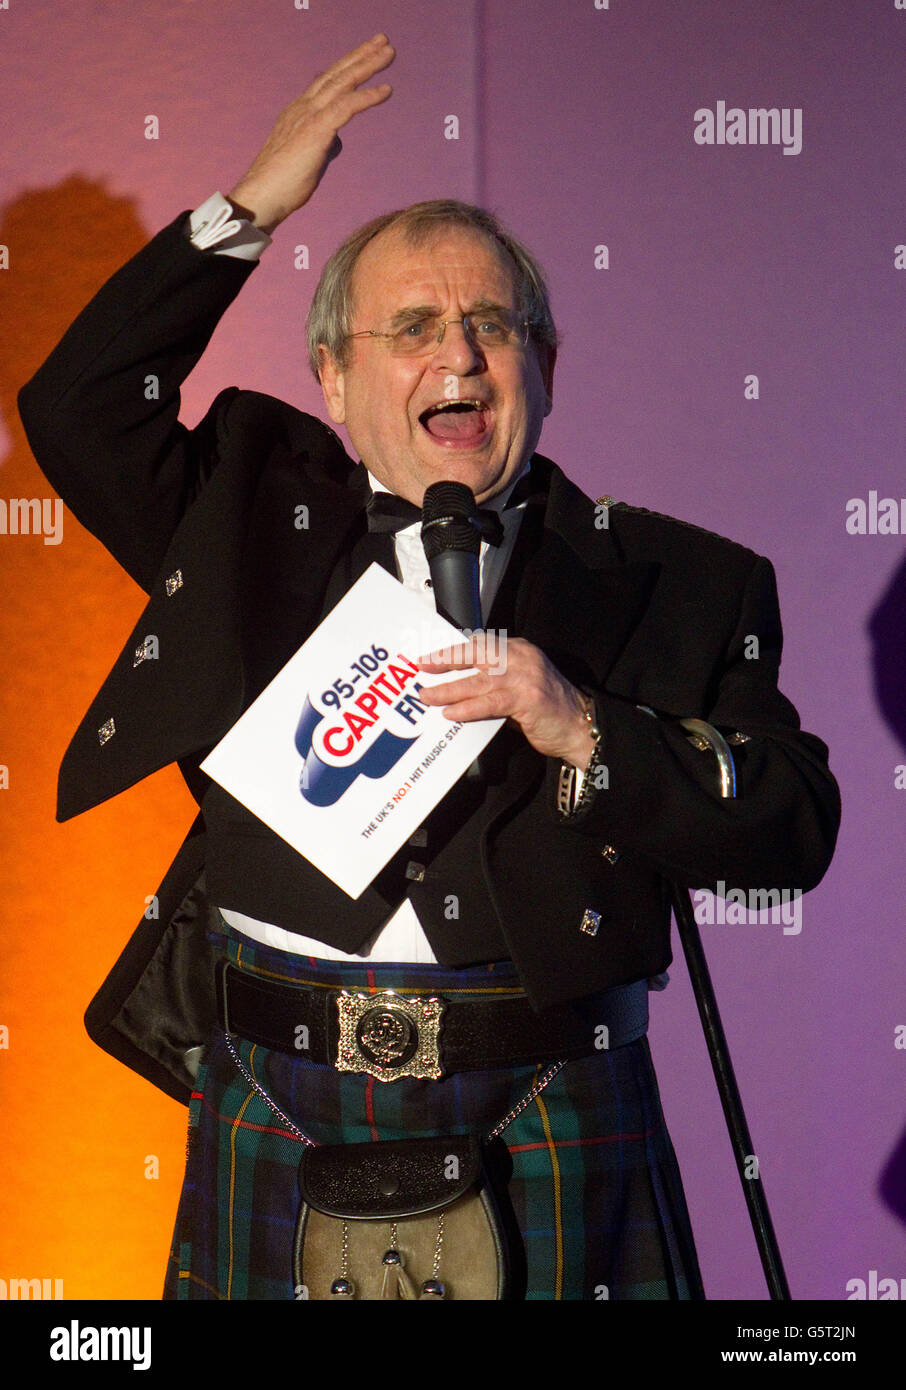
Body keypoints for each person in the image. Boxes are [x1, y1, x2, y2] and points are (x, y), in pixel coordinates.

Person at [18, 34, 840, 1301]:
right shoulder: (245, 514)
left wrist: (585, 730)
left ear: (545, 371)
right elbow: (75, 408)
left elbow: (794, 825)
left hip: (556, 1098)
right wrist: (247, 211)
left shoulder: (684, 580)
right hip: (277, 1094)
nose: (457, 358)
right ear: (336, 381)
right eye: (410, 329)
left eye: (491, 327)